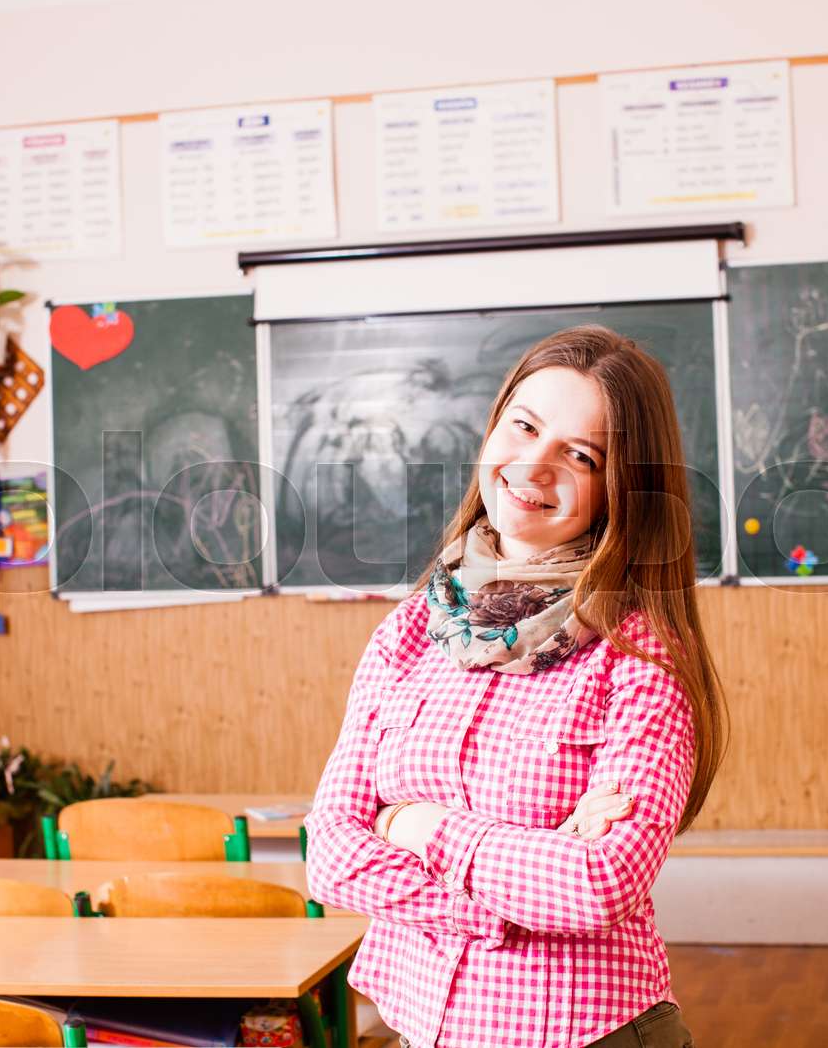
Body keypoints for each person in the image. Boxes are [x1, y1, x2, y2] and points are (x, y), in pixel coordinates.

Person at [306, 325, 727, 1048]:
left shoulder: (641, 652)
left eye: (580, 455)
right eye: (525, 427)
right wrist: (517, 882)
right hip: (419, 1030)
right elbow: (331, 856)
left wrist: (417, 826)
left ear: (622, 488)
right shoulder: (411, 632)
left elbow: (598, 883)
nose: (533, 466)